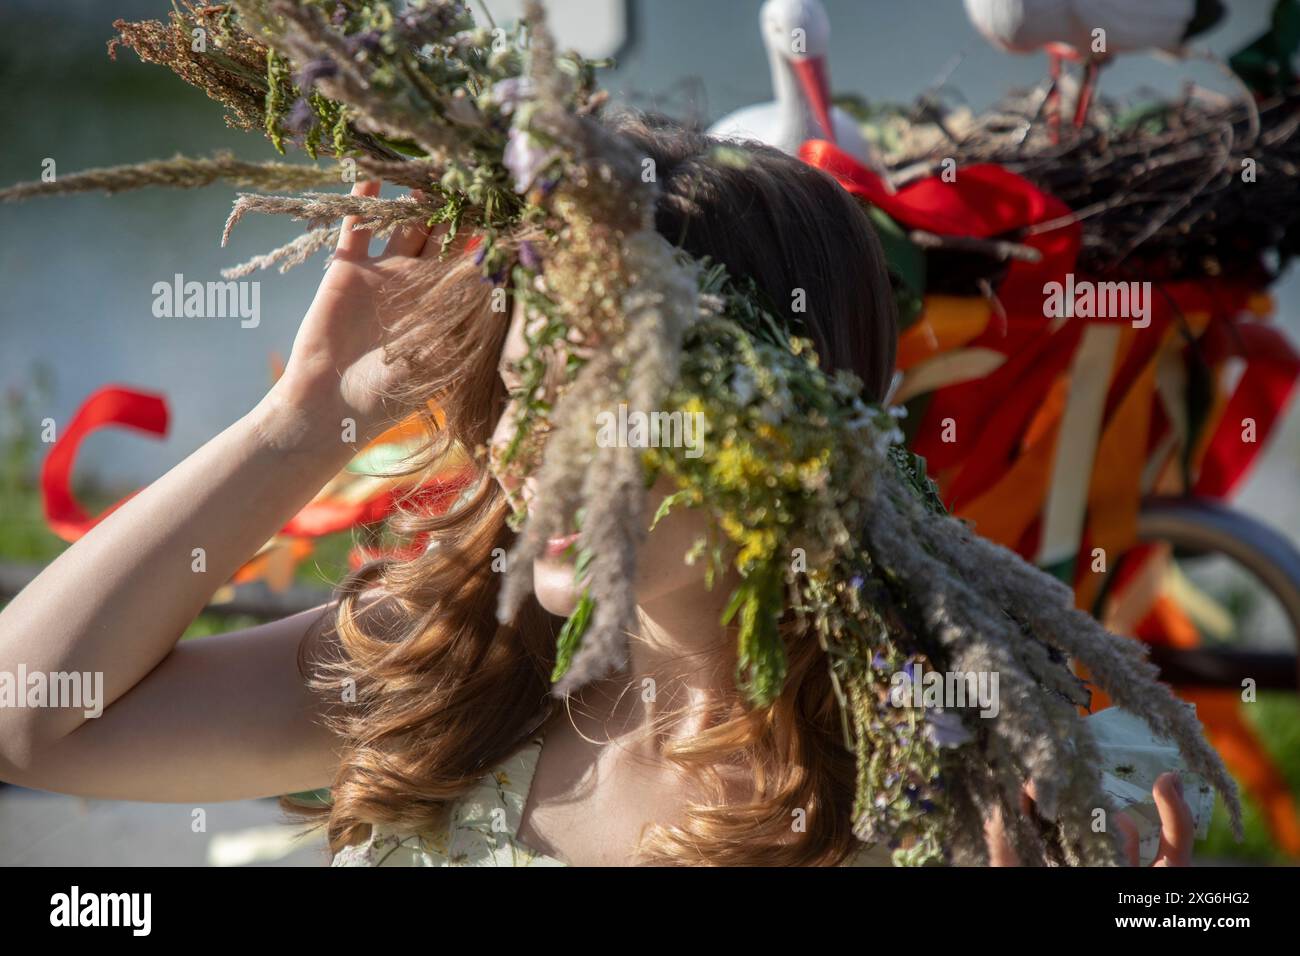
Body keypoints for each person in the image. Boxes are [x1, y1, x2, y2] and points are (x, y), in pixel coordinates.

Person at [0, 115, 1195, 867]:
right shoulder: (457, 663)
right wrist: (304, 423)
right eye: (526, 387)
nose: (548, 452)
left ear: (793, 429)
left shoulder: (955, 786)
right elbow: (33, 721)